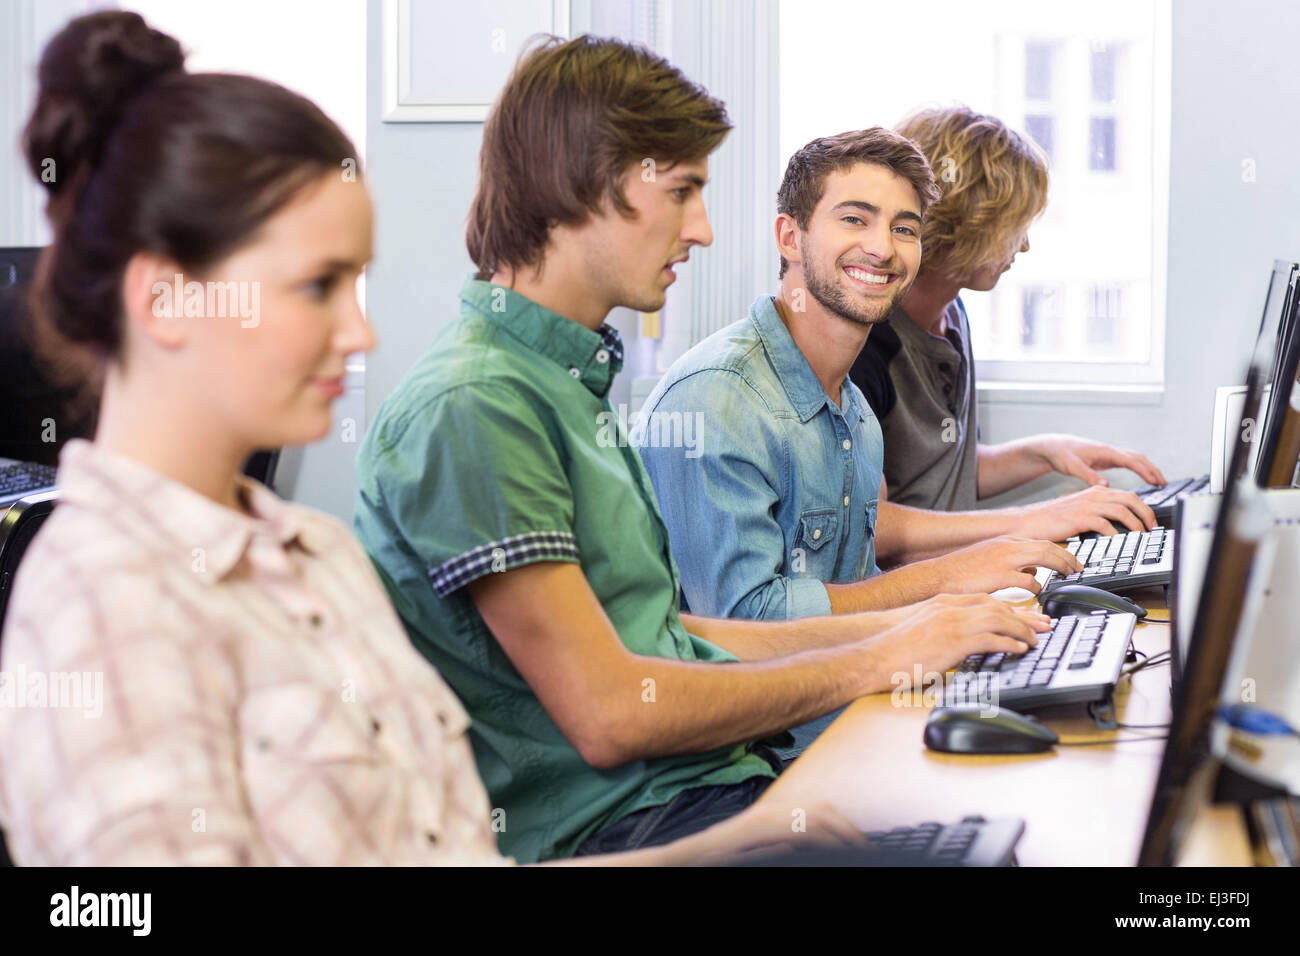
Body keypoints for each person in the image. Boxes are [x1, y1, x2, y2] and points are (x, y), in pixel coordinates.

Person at [0, 11, 866, 868]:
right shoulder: (104, 602)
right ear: (165, 300)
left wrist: (737, 847)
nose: (362, 335)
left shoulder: (312, 558)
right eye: (317, 287)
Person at [353, 36, 1048, 863]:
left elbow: (671, 638)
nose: (705, 230)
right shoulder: (477, 404)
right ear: (583, 185)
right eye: (682, 192)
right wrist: (881, 654)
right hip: (617, 824)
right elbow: (612, 714)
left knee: (1000, 824)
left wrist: (915, 629)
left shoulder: (560, 386)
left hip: (700, 783)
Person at [638, 128, 1084, 624]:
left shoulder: (858, 417)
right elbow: (747, 625)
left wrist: (964, 619)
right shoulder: (717, 398)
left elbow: (854, 604)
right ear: (789, 237)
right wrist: (943, 579)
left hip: (846, 688)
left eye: (904, 229)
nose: (882, 248)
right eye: (854, 219)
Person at [850, 106, 1167, 569]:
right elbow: (871, 530)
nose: (1023, 246)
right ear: (967, 226)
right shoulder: (864, 346)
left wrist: (1045, 452)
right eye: (1013, 227)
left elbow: (938, 472)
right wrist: (1032, 520)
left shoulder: (952, 313)